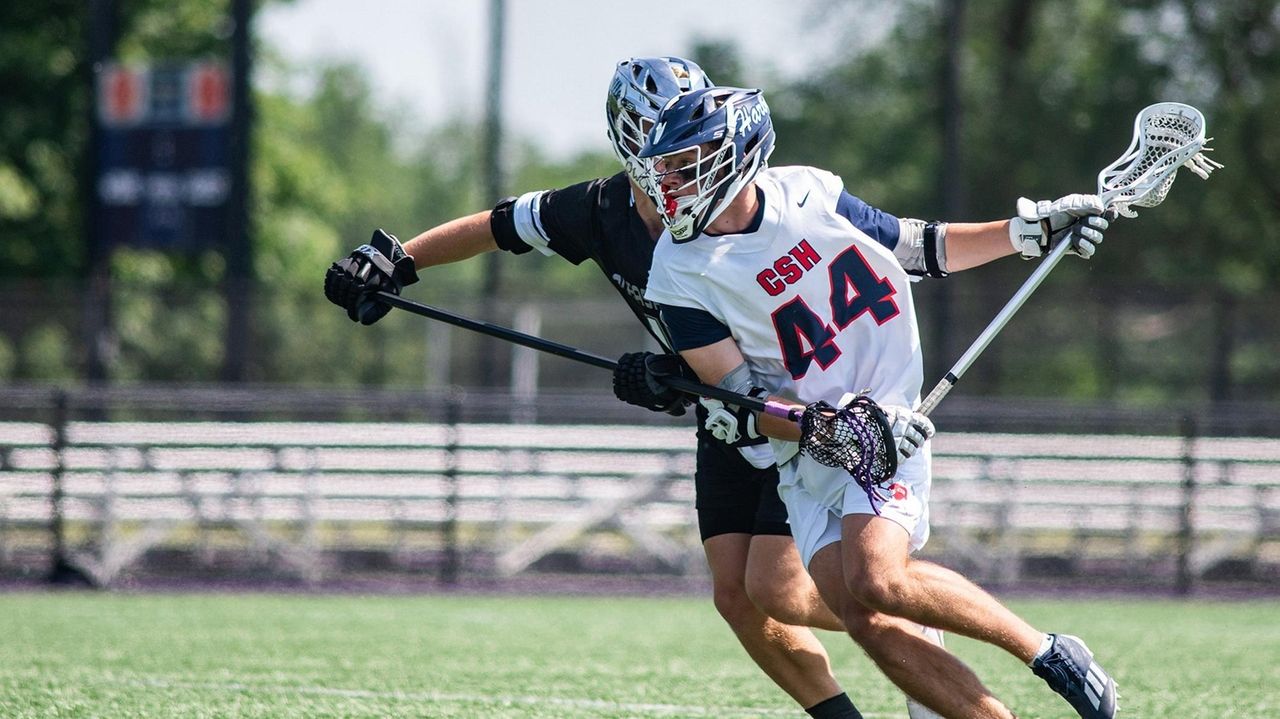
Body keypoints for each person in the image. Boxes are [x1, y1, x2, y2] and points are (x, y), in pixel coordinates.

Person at [326, 57, 899, 719]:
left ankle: (903, 617)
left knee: (777, 587)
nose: (681, 161)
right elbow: (497, 226)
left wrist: (679, 377)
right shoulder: (597, 209)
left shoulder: (740, 204)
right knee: (737, 598)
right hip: (723, 419)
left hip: (786, 409)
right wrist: (399, 262)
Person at [636, 85, 1118, 719]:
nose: (668, 182)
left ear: (738, 155)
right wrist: (823, 430)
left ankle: (1049, 653)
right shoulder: (676, 271)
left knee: (879, 579)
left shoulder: (809, 193)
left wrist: (1024, 232)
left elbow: (918, 246)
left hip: (888, 419)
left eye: (684, 164)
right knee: (863, 616)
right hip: (811, 452)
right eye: (665, 168)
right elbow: (745, 399)